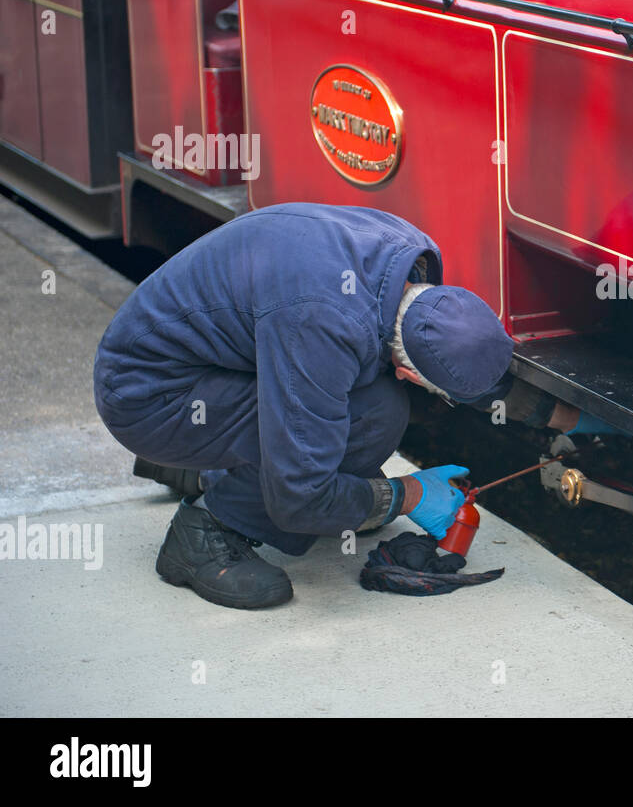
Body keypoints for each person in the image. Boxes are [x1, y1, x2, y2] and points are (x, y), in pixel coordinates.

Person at [93, 203, 581, 609]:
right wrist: (406, 494)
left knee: (363, 411)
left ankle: (208, 466)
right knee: (372, 418)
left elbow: (459, 354)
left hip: (205, 360)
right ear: (410, 373)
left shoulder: (405, 261)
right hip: (149, 395)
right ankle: (207, 531)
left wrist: (571, 418)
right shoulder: (321, 327)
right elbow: (300, 494)